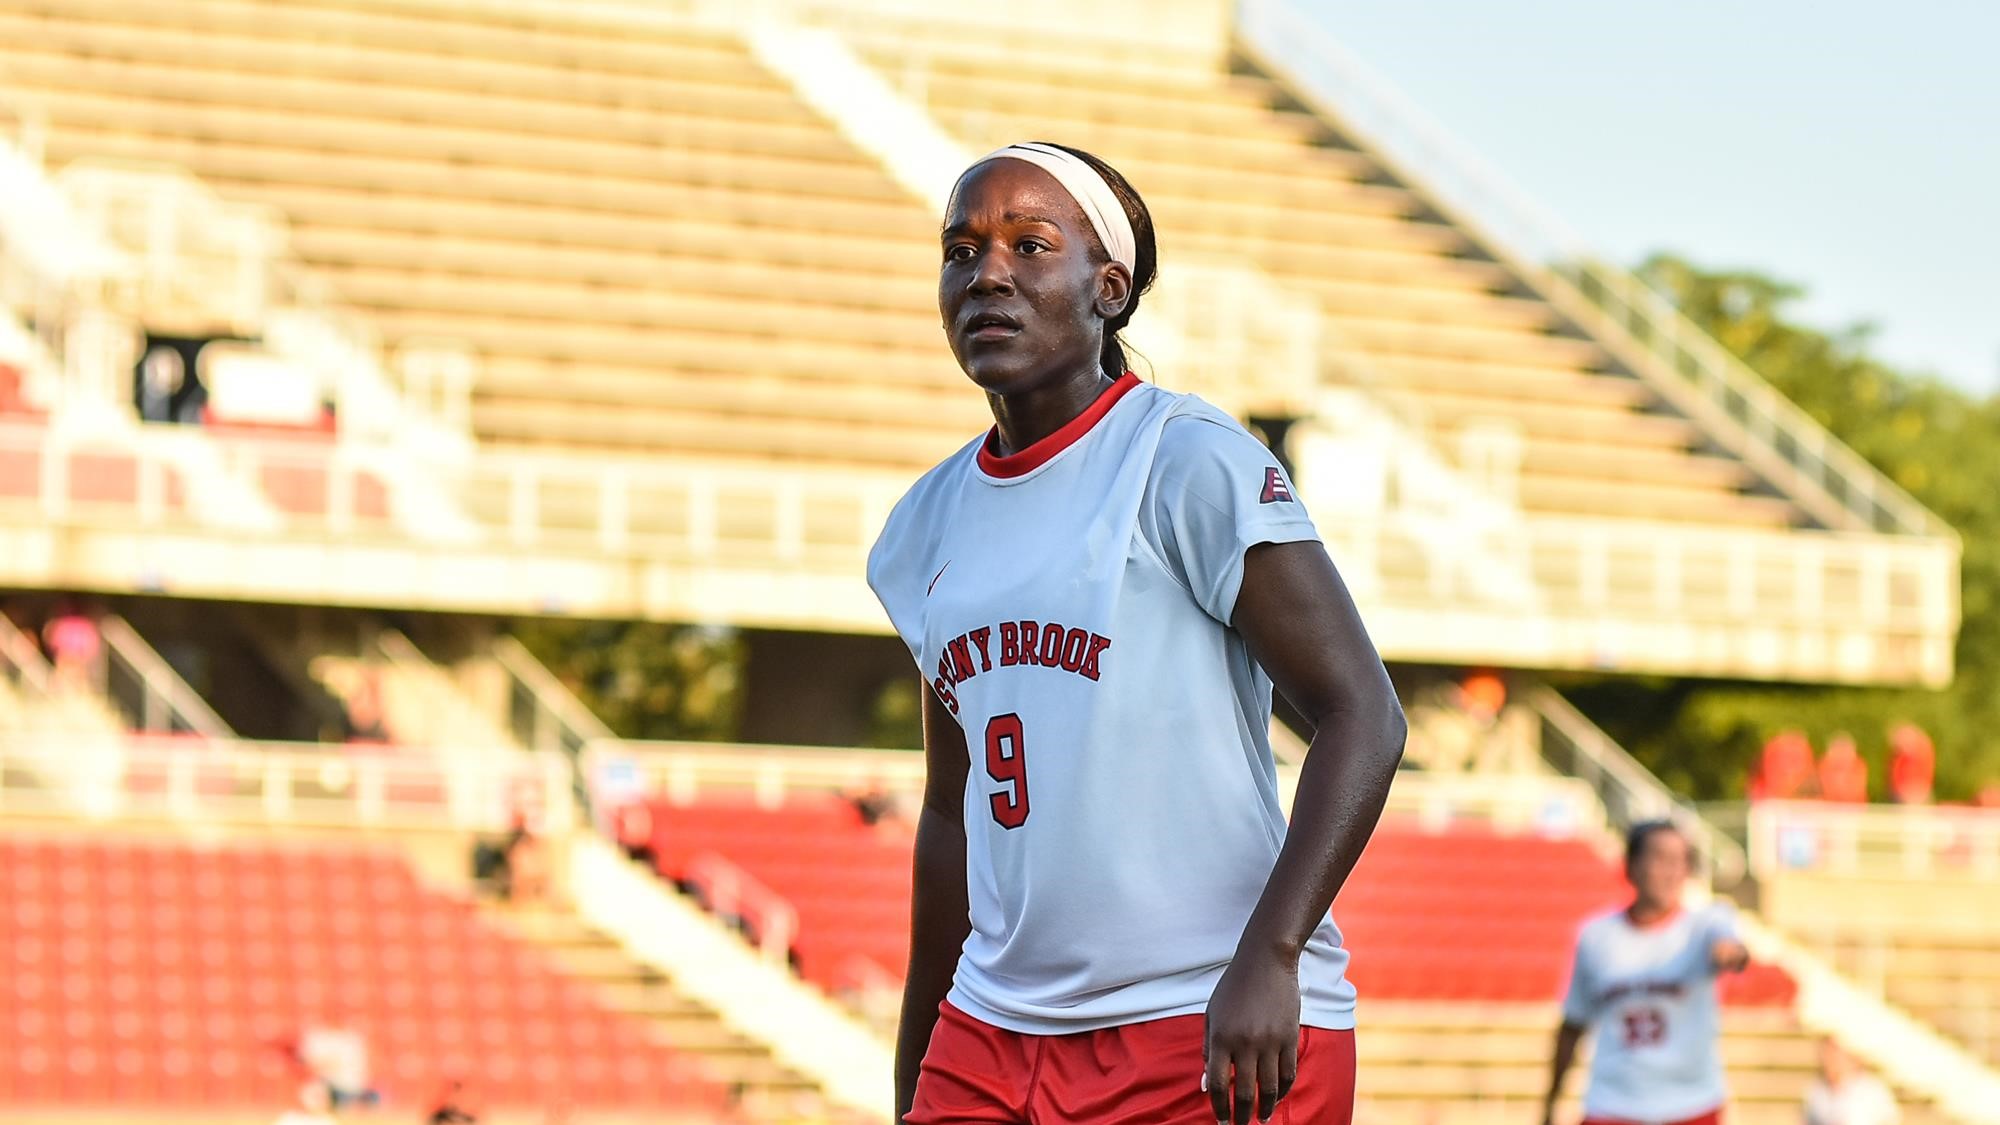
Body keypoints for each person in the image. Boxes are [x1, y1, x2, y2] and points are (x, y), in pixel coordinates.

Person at [867, 141, 1405, 1125]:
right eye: (960, 250)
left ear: (1107, 288)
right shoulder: (920, 527)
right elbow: (953, 816)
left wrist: (1270, 957)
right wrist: (920, 1057)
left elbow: (1361, 713)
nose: (986, 271)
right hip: (991, 1030)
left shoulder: (1184, 460)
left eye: (1029, 246)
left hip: (1202, 1015)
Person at [1541, 822, 1751, 1125]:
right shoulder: (1596, 935)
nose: (1671, 871)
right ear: (1632, 866)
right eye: (1660, 858)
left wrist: (1732, 954)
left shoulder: (1705, 923)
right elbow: (1573, 1024)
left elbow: (1729, 944)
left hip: (1691, 1105)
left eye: (1680, 861)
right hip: (1613, 1105)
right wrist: (1551, 1101)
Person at [1804, 1037, 1899, 1125]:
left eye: (1834, 1052)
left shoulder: (1873, 1090)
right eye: (1827, 1053)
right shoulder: (1816, 1090)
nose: (1830, 1059)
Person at [1817, 734, 1869, 804]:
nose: (1841, 755)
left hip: (1854, 806)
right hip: (1829, 806)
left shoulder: (1858, 764)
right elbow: (1826, 787)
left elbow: (1856, 790)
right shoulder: (1825, 763)